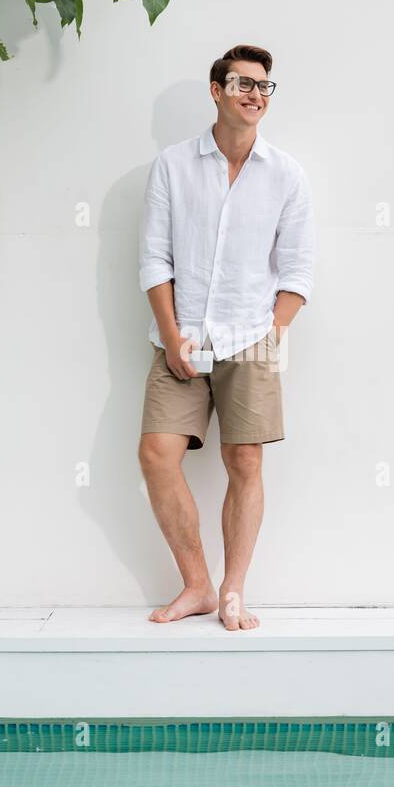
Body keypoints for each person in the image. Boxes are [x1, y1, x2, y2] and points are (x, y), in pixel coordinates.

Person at [137, 44, 315, 631]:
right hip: (180, 337)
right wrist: (170, 336)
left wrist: (272, 334)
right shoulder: (173, 165)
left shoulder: (286, 175)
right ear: (217, 91)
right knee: (156, 456)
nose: (255, 94)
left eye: (265, 87)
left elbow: (296, 271)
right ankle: (197, 585)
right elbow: (154, 258)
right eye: (242, 84)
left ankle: (234, 590)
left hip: (250, 339)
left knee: (245, 460)